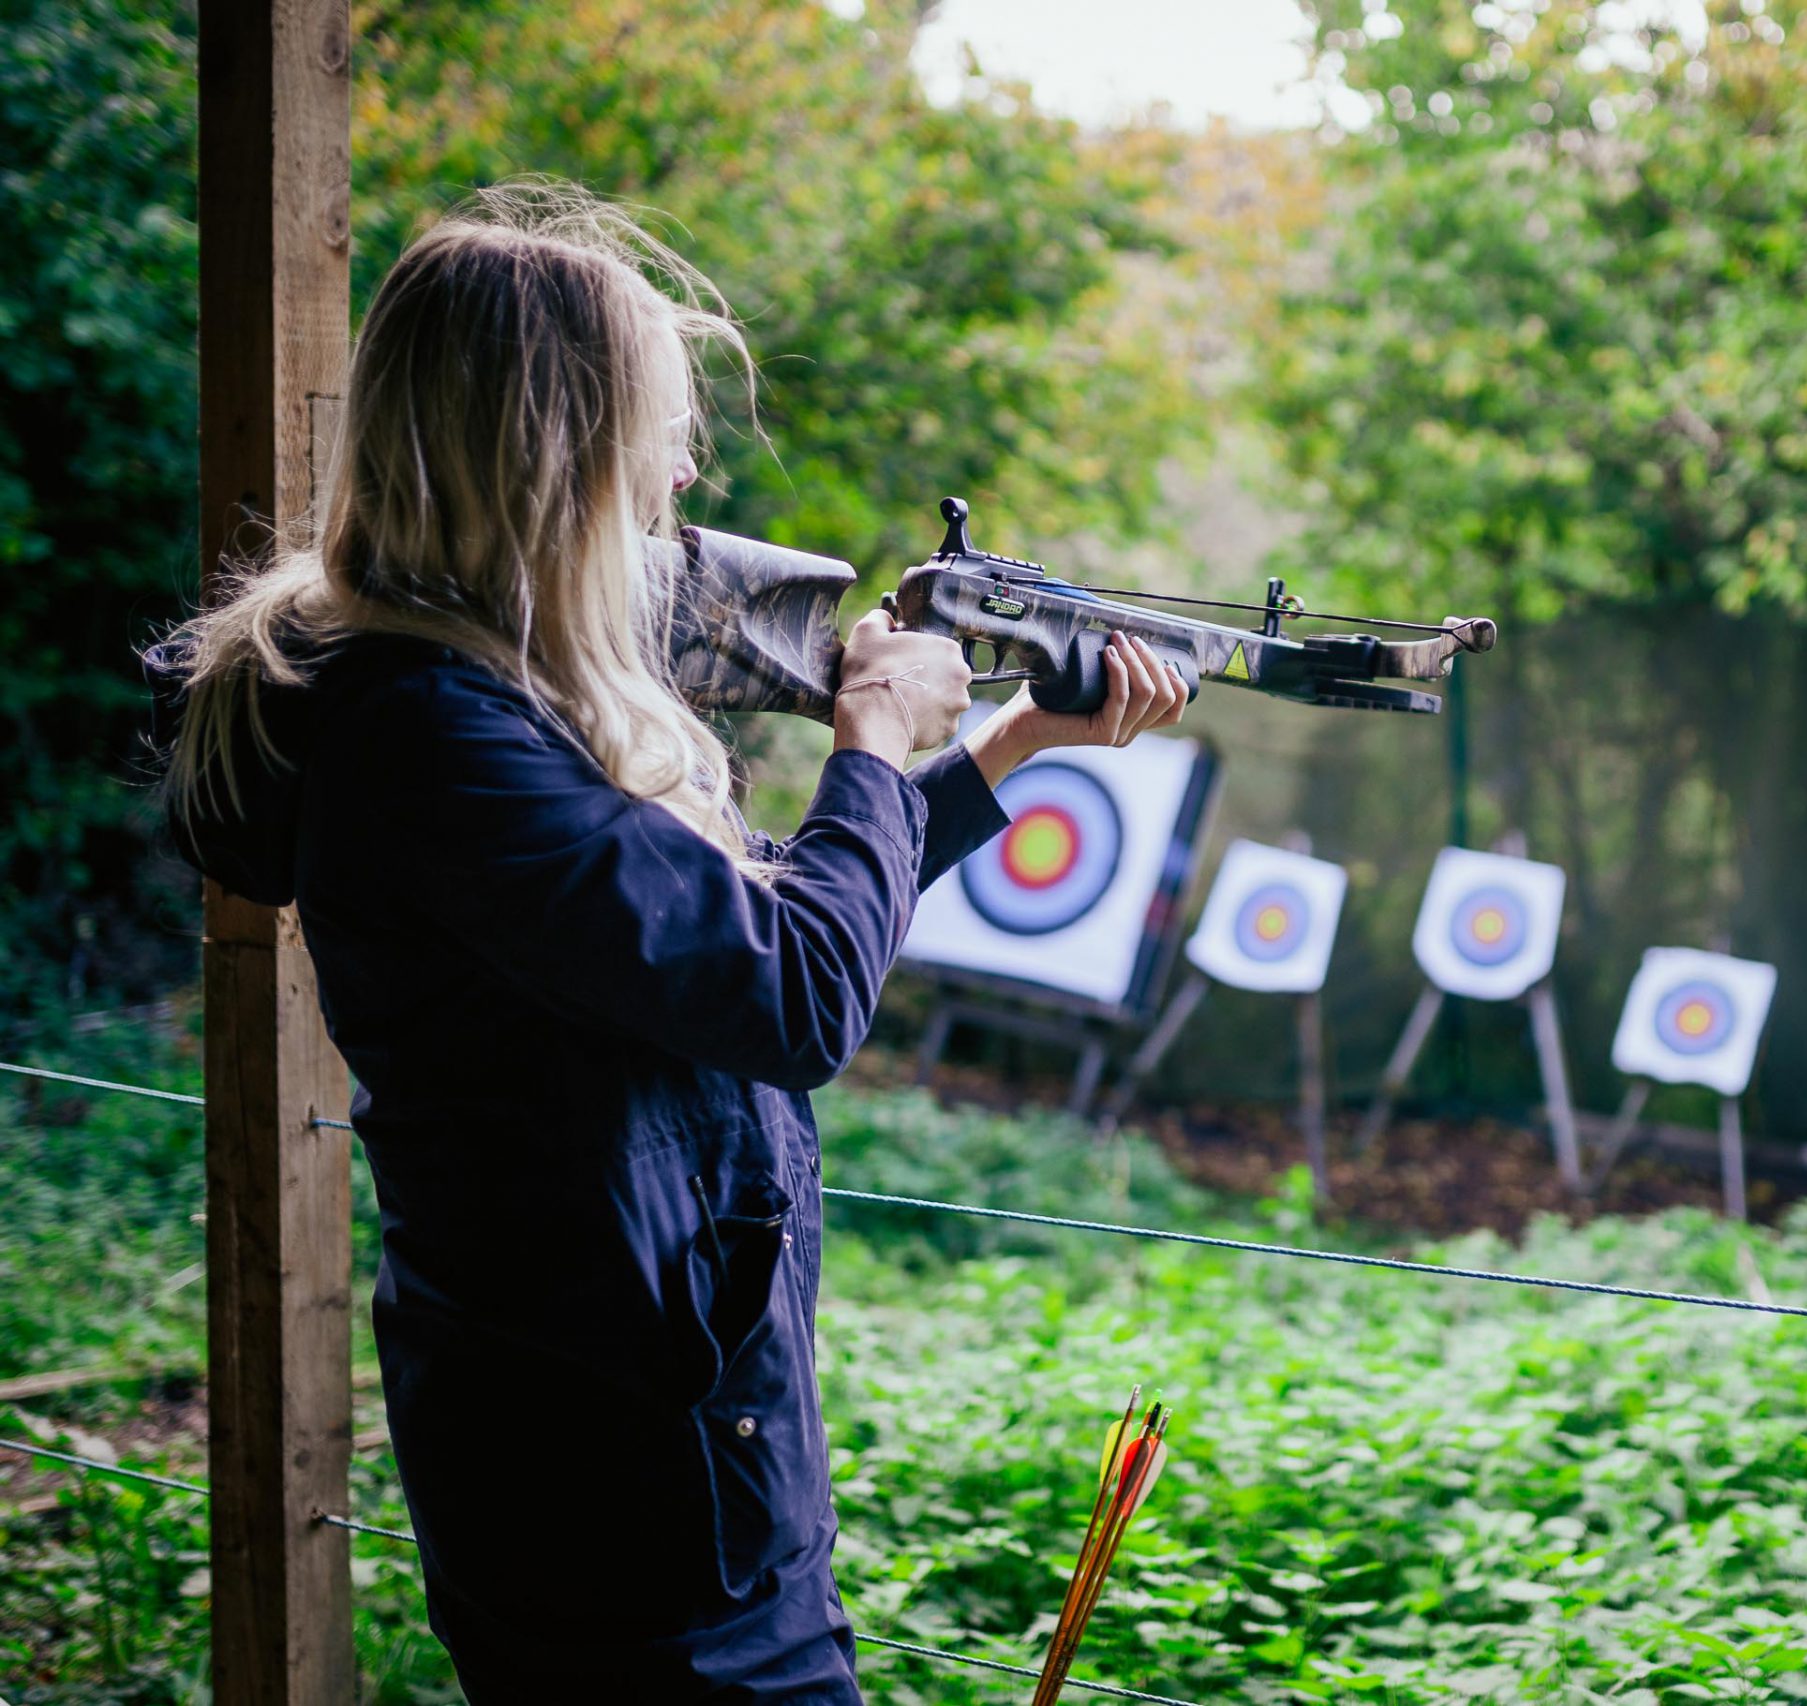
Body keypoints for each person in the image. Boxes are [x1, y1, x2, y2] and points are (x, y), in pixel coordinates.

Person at [150, 185, 1188, 1701]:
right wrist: (875, 746)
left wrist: (1008, 743)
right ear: (554, 452)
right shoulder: (438, 738)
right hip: (631, 1514)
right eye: (654, 428)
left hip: (642, 1452)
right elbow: (792, 992)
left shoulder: (468, 708)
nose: (684, 467)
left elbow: (727, 932)